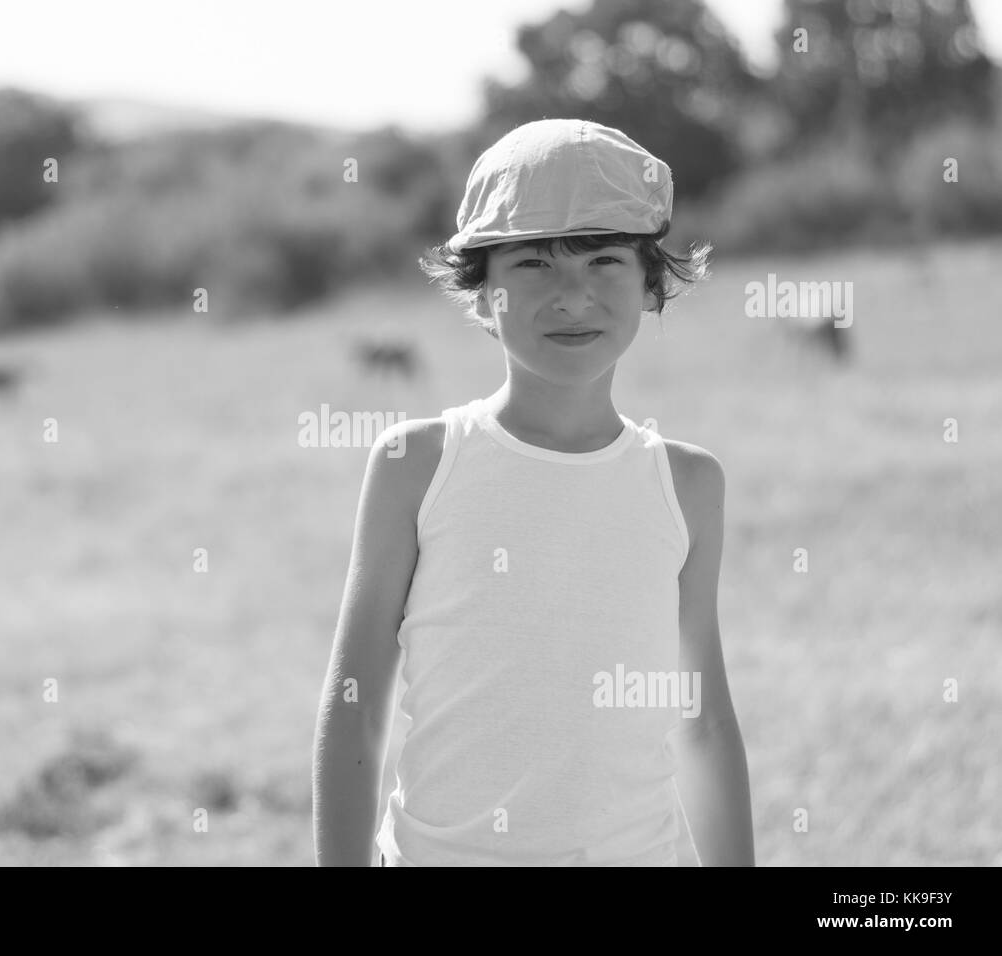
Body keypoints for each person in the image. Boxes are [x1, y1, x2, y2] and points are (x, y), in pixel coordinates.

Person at [312, 119, 754, 866]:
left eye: (605, 260)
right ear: (482, 293)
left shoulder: (688, 483)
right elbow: (354, 709)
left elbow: (702, 720)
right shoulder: (417, 463)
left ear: (651, 284)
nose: (573, 295)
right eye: (535, 264)